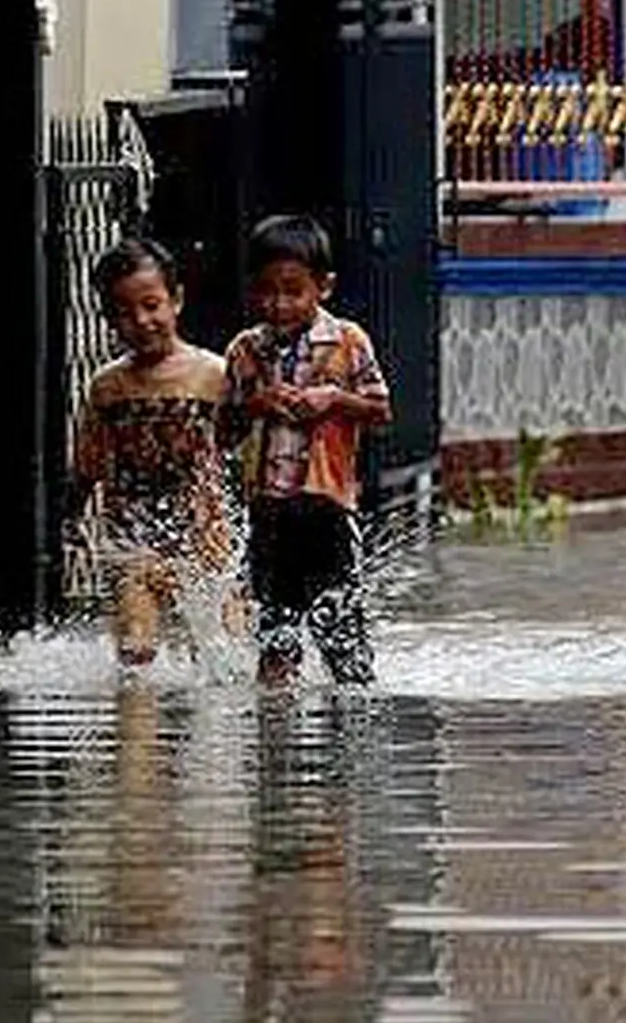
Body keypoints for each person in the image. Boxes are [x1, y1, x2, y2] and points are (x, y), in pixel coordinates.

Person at [221, 215, 391, 685]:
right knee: (275, 631)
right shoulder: (244, 352)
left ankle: (350, 727)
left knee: (343, 636)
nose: (278, 304)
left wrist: (333, 399)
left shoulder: (347, 343)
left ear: (324, 287)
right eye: (266, 291)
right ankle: (276, 735)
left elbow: (380, 411)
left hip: (328, 509)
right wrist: (257, 403)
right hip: (270, 512)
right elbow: (224, 431)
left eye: (293, 291)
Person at [69, 239, 238, 666]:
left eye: (151, 305)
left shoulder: (214, 376)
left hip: (205, 538)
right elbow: (87, 462)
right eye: (123, 313)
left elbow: (245, 457)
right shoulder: (108, 387)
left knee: (224, 653)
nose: (141, 321)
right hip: (132, 539)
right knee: (136, 652)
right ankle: (136, 729)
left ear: (176, 300)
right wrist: (70, 518)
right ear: (107, 318)